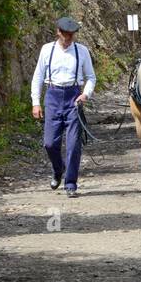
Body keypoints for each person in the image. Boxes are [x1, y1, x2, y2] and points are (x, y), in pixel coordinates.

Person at [31, 17, 95, 196]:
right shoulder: (47, 50)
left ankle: (71, 183)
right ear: (58, 32)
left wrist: (85, 94)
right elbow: (37, 77)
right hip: (52, 95)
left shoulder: (82, 51)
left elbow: (91, 77)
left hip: (74, 97)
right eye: (65, 34)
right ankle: (58, 170)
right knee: (50, 143)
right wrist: (36, 102)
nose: (68, 38)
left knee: (74, 144)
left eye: (71, 35)